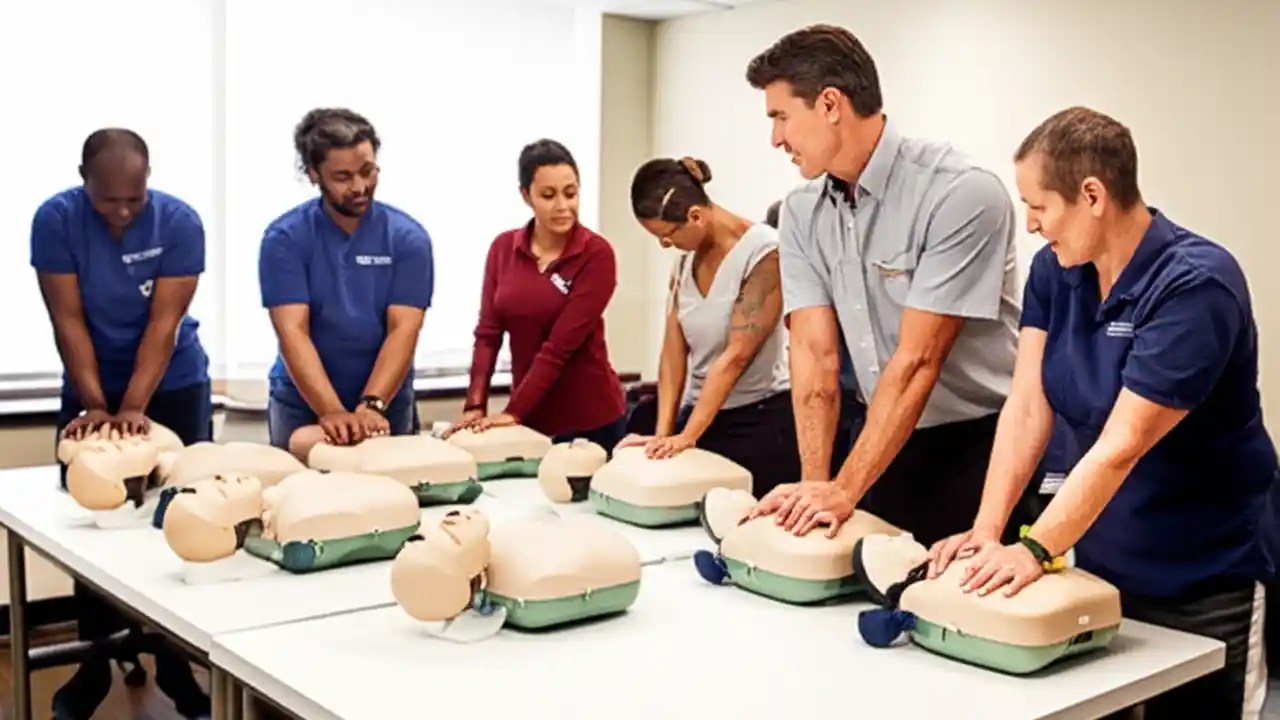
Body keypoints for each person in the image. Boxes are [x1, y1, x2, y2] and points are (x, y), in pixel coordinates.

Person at [928, 106, 1278, 719]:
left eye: (1039, 206)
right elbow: (1027, 407)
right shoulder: (1055, 271)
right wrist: (988, 529)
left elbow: (1123, 445)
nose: (1031, 224)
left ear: (1092, 194)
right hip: (1098, 566)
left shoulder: (1195, 285)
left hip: (1201, 574)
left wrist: (1033, 550)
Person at [741, 24, 1036, 547]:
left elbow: (920, 361)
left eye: (781, 117)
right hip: (875, 437)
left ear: (830, 104)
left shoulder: (961, 193)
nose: (776, 139)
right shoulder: (802, 211)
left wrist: (843, 489)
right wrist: (817, 484)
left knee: (955, 612)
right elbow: (814, 354)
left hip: (974, 446)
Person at [31, 128, 211, 718]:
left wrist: (134, 407)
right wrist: (97, 405)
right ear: (84, 181)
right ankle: (95, 661)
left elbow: (164, 326)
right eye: (109, 200)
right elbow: (68, 321)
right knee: (92, 520)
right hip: (90, 382)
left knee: (180, 516)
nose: (124, 210)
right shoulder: (55, 221)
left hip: (172, 382)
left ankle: (177, 661)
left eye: (135, 198)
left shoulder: (180, 224)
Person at [617, 157, 799, 497]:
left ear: (695, 217)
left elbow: (735, 357)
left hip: (757, 422)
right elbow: (672, 353)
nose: (665, 245)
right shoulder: (685, 261)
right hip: (701, 417)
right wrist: (664, 433)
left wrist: (688, 437)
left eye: (667, 236)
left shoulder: (765, 253)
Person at [259, 108, 433, 449]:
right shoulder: (285, 239)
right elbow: (292, 330)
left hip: (386, 399)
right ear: (313, 174)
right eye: (343, 177)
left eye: (368, 171)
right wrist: (331, 411)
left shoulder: (407, 238)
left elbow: (404, 328)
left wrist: (372, 403)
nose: (359, 186)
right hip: (305, 399)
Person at [450, 139, 626, 449]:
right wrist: (475, 405)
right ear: (525, 196)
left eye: (571, 194)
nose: (562, 206)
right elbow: (488, 335)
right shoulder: (503, 248)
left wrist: (513, 411)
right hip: (531, 418)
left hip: (590, 419)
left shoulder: (597, 255)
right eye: (548, 195)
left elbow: (558, 348)